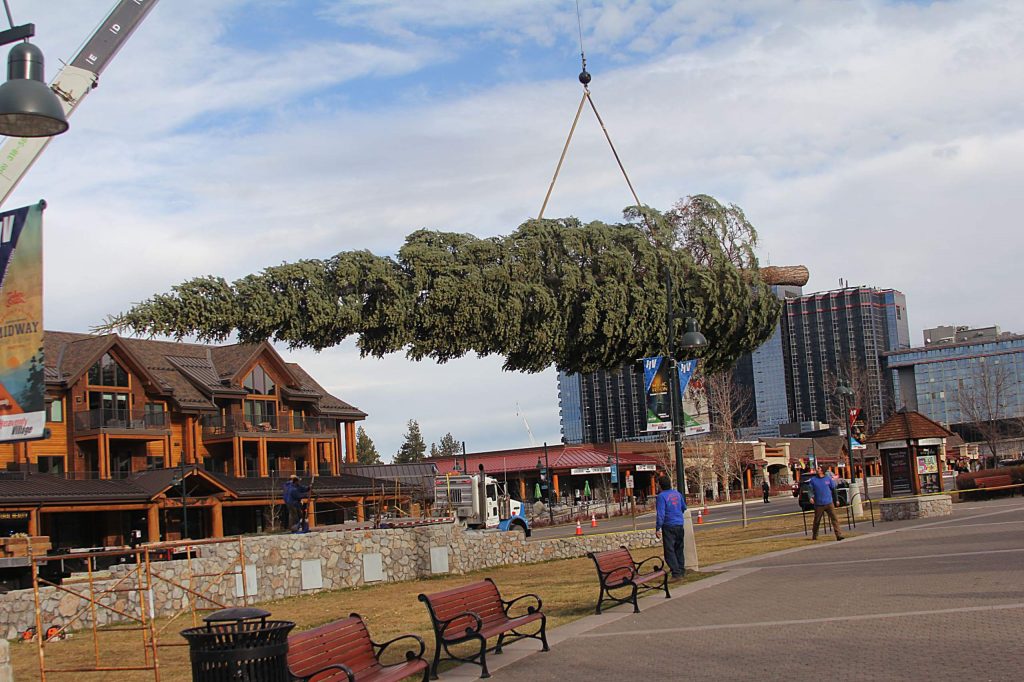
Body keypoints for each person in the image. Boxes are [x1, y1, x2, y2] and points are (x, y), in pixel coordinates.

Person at [655, 476, 687, 579]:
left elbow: (661, 514)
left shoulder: (661, 496)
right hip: (679, 524)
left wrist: (658, 528)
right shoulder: (677, 494)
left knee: (669, 551)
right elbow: (684, 507)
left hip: (668, 526)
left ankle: (676, 573)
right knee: (679, 548)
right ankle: (681, 570)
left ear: (660, 485)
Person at [808, 466, 844, 541]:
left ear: (822, 471)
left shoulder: (828, 479)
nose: (817, 470)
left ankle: (838, 535)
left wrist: (836, 500)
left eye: (818, 469)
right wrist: (811, 497)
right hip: (819, 504)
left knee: (834, 519)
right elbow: (810, 490)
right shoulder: (813, 480)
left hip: (829, 503)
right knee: (817, 520)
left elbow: (834, 489)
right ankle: (815, 535)